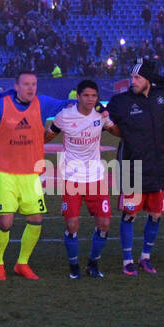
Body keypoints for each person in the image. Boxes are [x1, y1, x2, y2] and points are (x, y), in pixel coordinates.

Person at [0, 71, 68, 281]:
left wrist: (90, 104)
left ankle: (22, 263)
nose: (30, 88)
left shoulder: (42, 104)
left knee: (36, 219)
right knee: (6, 222)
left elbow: (67, 104)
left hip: (32, 174)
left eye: (34, 84)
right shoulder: (1, 105)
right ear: (16, 86)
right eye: (26, 84)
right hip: (5, 173)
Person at [104, 60, 164, 276]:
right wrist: (107, 122)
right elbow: (104, 119)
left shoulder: (162, 98)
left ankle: (145, 257)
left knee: (156, 214)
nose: (132, 81)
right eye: (131, 77)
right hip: (131, 168)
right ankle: (127, 259)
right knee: (129, 215)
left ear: (148, 80)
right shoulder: (121, 102)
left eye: (137, 77)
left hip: (158, 167)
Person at [46, 79, 119, 279]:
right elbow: (48, 136)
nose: (90, 99)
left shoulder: (100, 116)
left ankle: (93, 264)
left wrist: (110, 118)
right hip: (72, 178)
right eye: (86, 95)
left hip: (96, 177)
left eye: (93, 96)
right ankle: (73, 266)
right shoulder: (64, 117)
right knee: (72, 225)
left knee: (104, 224)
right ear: (77, 97)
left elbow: (118, 133)